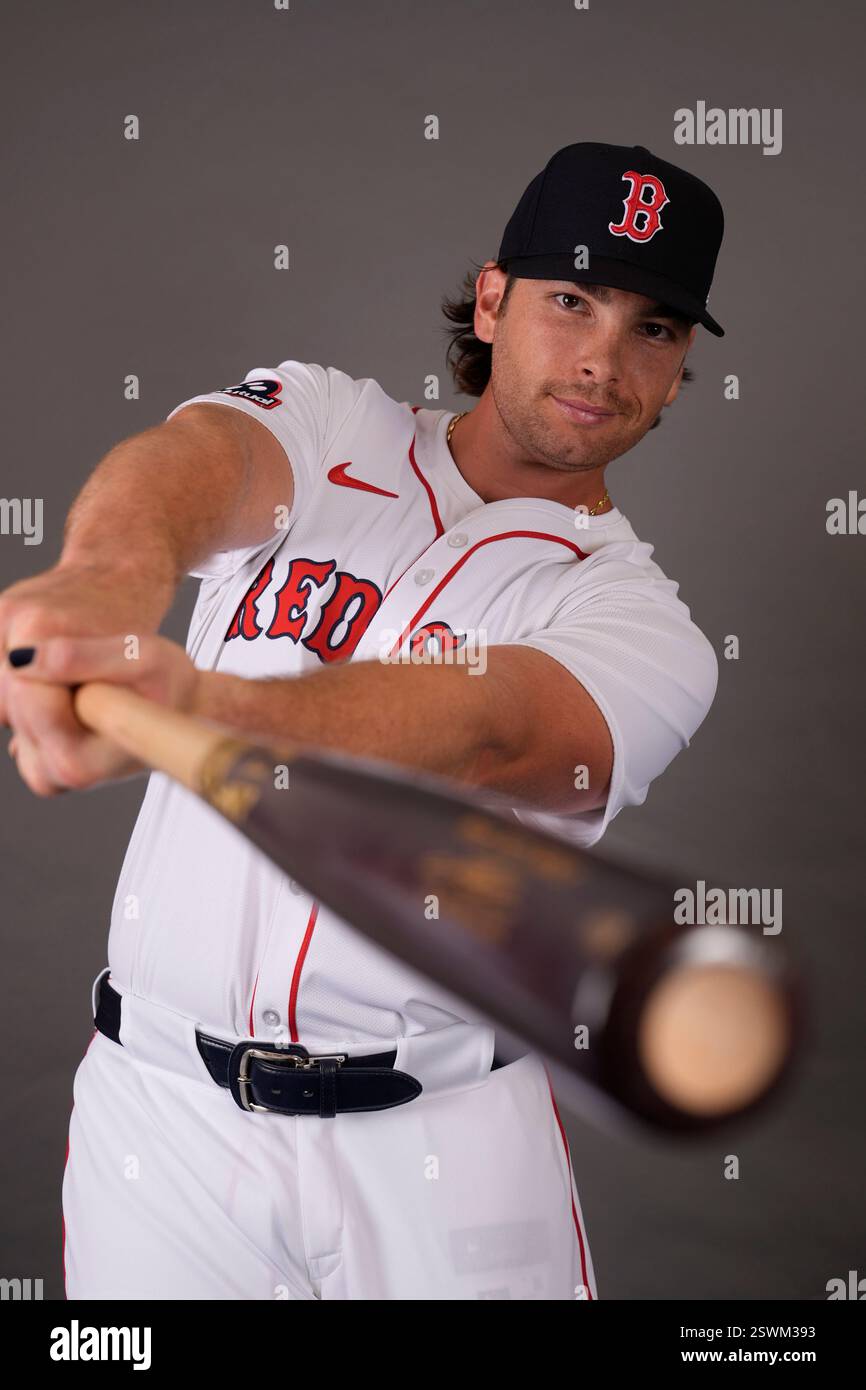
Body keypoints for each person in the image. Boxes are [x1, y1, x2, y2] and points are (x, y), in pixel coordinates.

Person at [0, 141, 723, 1300]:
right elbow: (197, 465)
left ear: (682, 371)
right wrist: (106, 581)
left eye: (652, 327)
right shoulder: (336, 426)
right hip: (166, 1123)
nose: (601, 356)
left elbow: (491, 724)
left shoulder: (643, 624)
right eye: (570, 298)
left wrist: (201, 701)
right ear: (491, 301)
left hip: (442, 1142)